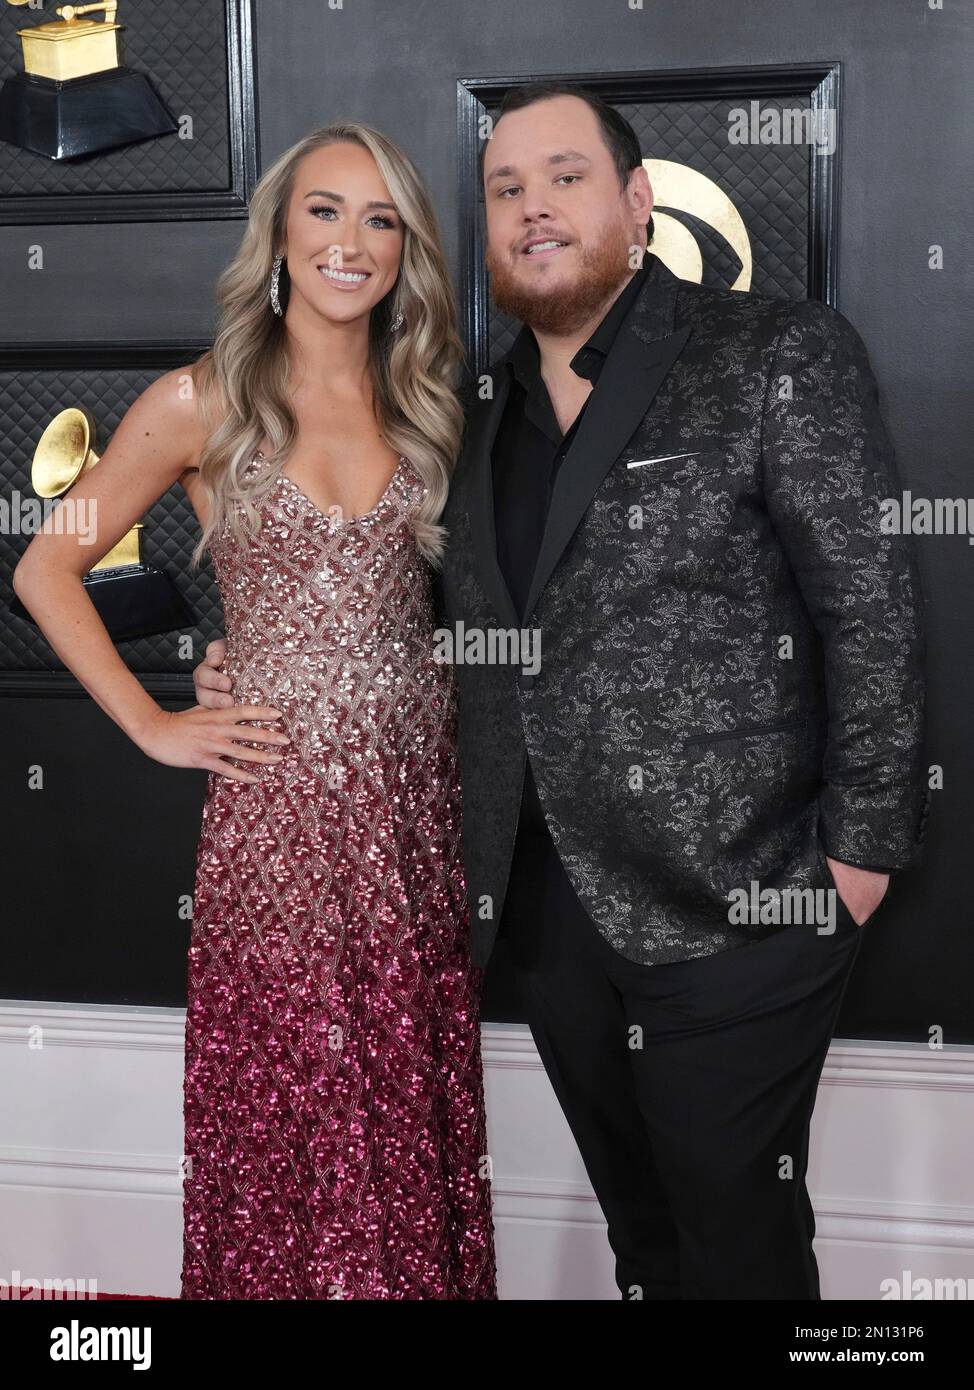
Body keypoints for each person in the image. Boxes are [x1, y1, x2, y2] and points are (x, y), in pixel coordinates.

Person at [193, 84, 929, 1300]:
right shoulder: (467, 412)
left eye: (565, 178)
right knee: (641, 1236)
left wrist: (857, 856)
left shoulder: (768, 352)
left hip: (740, 906)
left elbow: (869, 611)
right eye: (505, 189)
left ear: (636, 203)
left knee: (735, 1242)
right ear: (484, 232)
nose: (534, 208)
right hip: (543, 921)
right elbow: (420, 621)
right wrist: (237, 657)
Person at [13, 123, 497, 1301]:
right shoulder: (200, 400)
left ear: (405, 252)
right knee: (287, 1123)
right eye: (325, 210)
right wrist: (156, 722)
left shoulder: (426, 401)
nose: (352, 241)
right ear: (280, 231)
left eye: (380, 220)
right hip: (274, 830)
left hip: (405, 824)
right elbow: (43, 570)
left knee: (399, 1112)